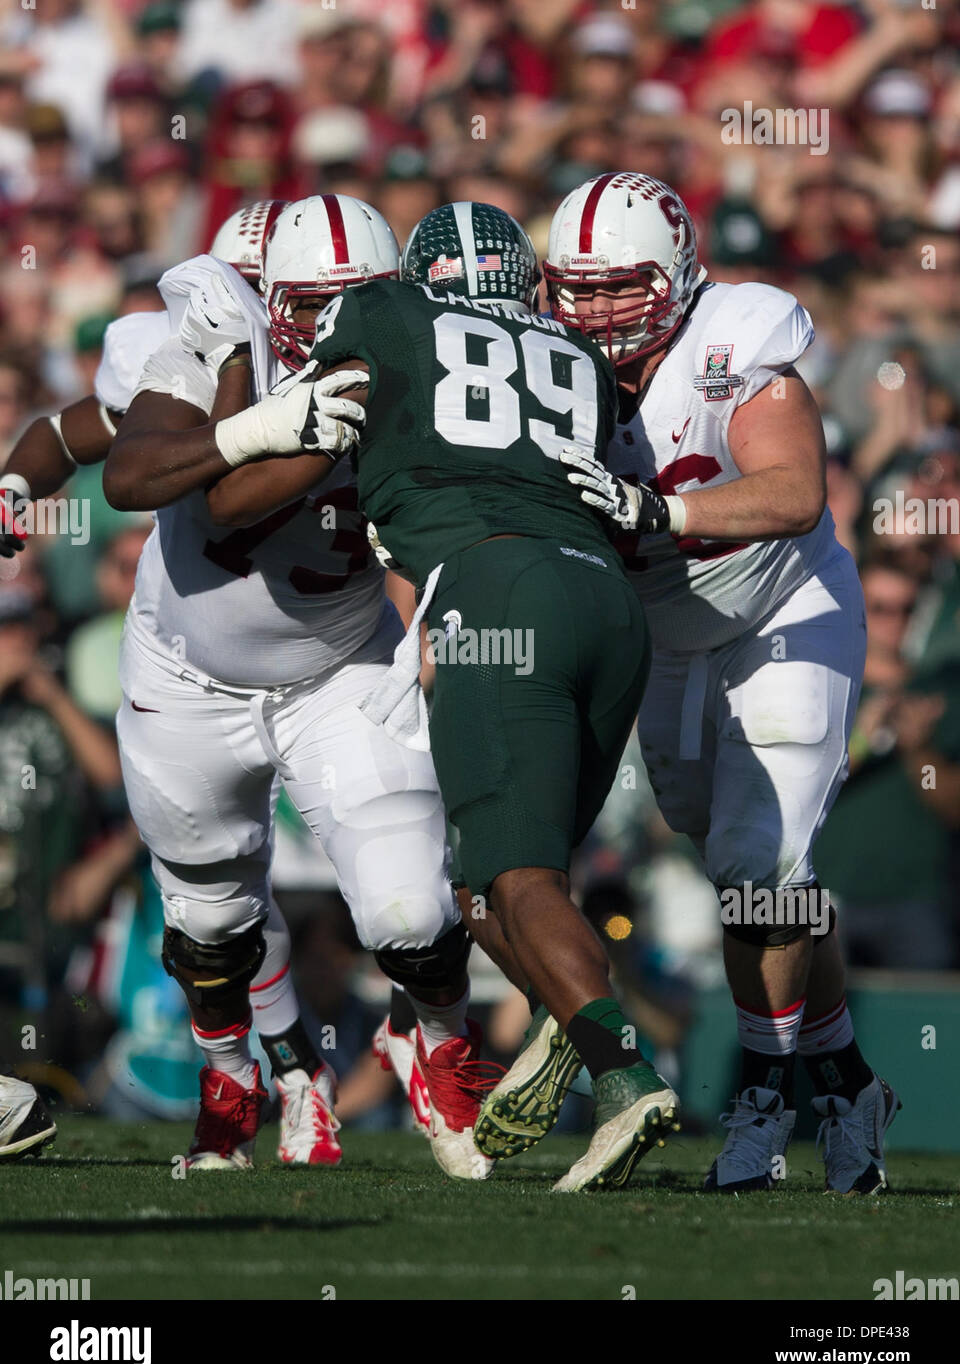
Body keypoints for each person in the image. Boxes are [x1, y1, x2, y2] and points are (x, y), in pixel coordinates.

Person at [299, 199, 678, 1193]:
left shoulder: (383, 312)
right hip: (609, 601)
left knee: (512, 878)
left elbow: (313, 426)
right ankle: (571, 1013)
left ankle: (625, 1073)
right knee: (488, 885)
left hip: (494, 588)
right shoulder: (581, 356)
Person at [102, 195, 481, 1178]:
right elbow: (133, 473)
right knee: (206, 916)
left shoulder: (433, 366)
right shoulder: (203, 333)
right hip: (188, 674)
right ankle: (239, 1081)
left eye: (360, 302)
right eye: (314, 305)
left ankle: (430, 1044)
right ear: (267, 300)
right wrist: (254, 427)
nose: (336, 327)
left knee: (408, 910)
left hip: (340, 666)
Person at [535, 171, 896, 1195]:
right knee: (755, 877)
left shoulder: (735, 338)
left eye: (622, 285)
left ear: (680, 276)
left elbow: (790, 492)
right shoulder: (541, 359)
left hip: (785, 612)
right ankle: (854, 1085)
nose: (598, 309)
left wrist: (658, 514)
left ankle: (765, 1095)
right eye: (580, 286)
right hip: (669, 639)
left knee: (752, 864)